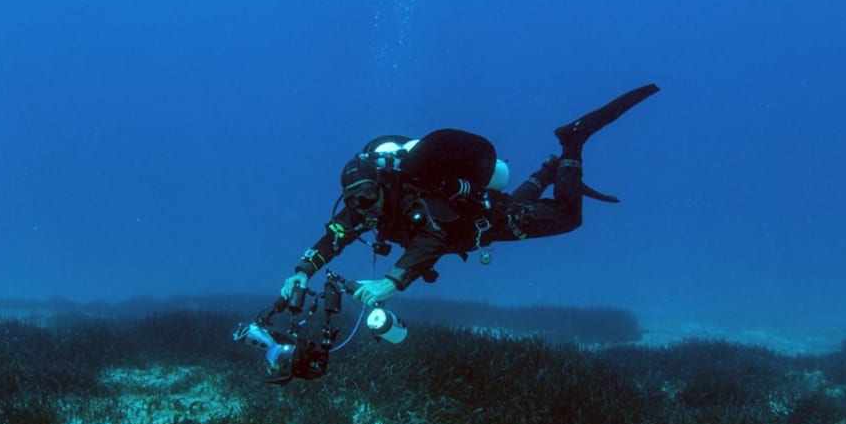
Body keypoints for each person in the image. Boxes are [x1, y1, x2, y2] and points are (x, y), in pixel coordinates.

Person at [280, 83, 661, 306]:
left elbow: (433, 237)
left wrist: (393, 281)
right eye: (354, 200)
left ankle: (573, 143)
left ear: (381, 184)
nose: (362, 208)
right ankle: (548, 168)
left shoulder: (413, 198)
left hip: (486, 219)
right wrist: (303, 271)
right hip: (480, 219)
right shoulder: (363, 208)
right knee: (517, 203)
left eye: (366, 196)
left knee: (567, 217)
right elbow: (336, 234)